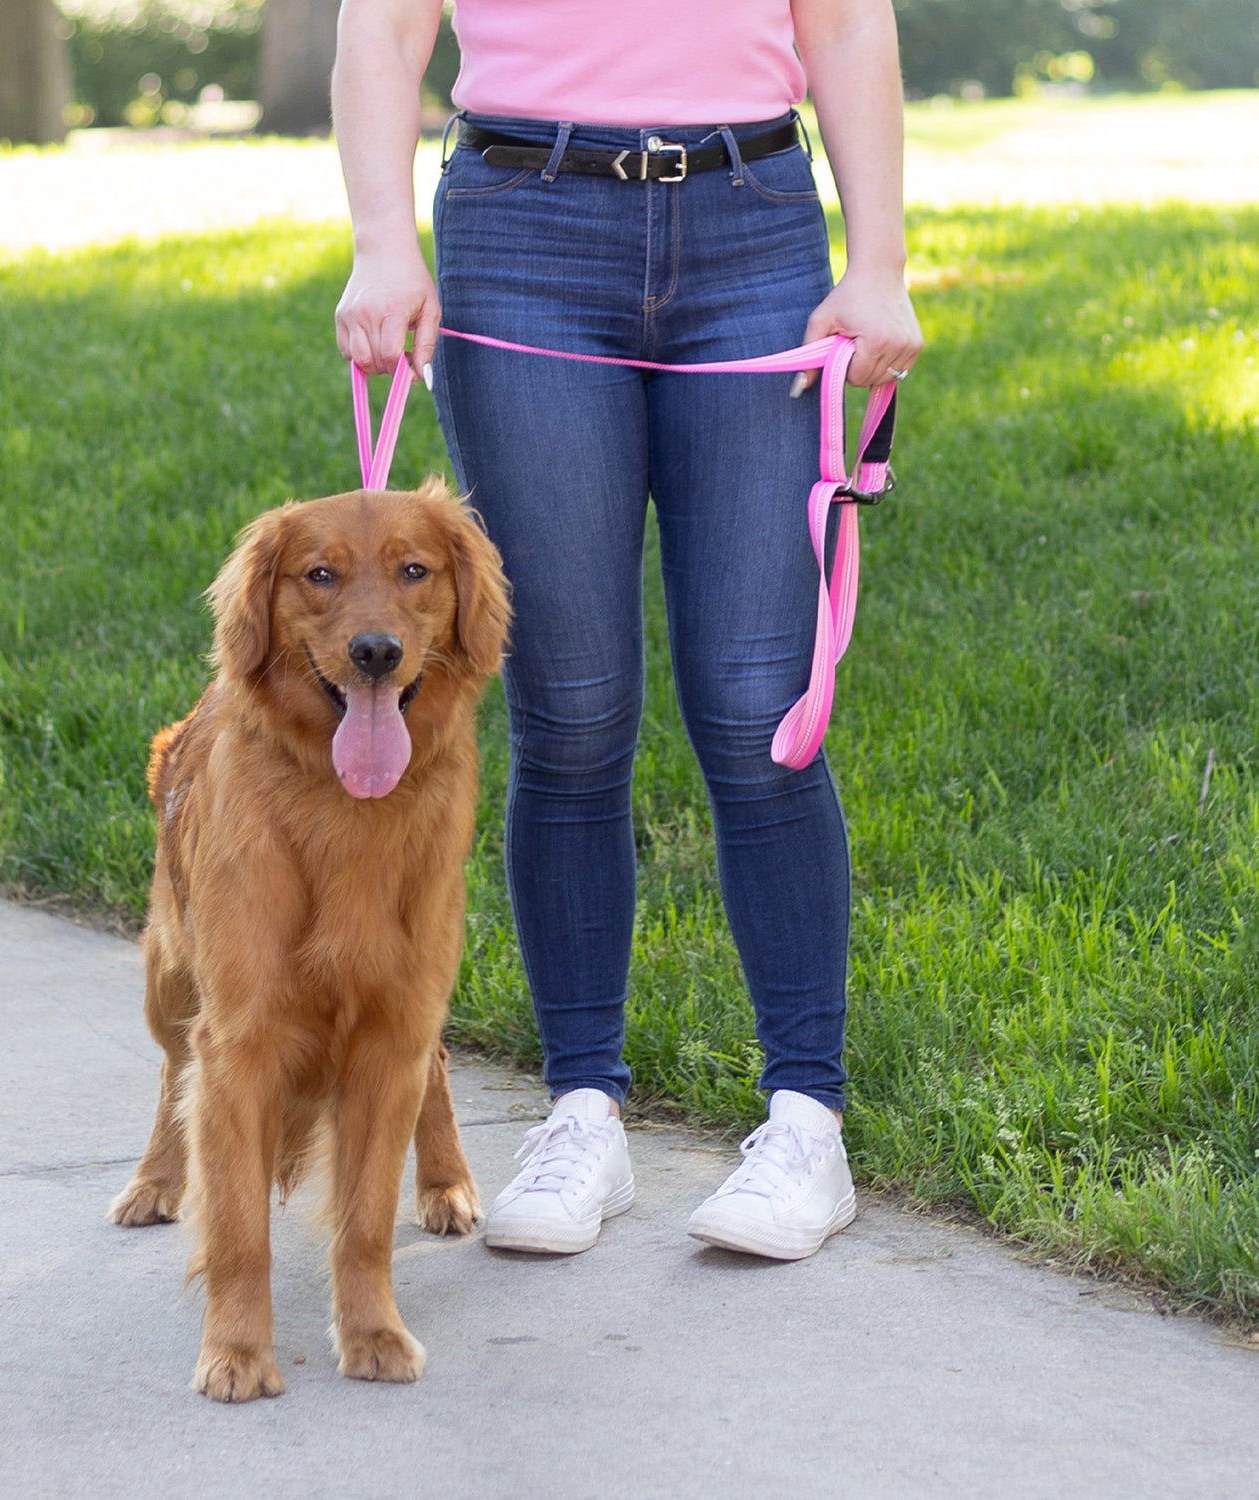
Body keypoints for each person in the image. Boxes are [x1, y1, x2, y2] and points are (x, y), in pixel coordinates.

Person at [333, 0, 923, 1262]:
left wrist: (878, 267)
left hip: (752, 223)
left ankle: (807, 1122)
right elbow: (382, 32)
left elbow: (851, 31)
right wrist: (384, 240)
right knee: (574, 708)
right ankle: (582, 1111)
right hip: (521, 221)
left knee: (761, 704)